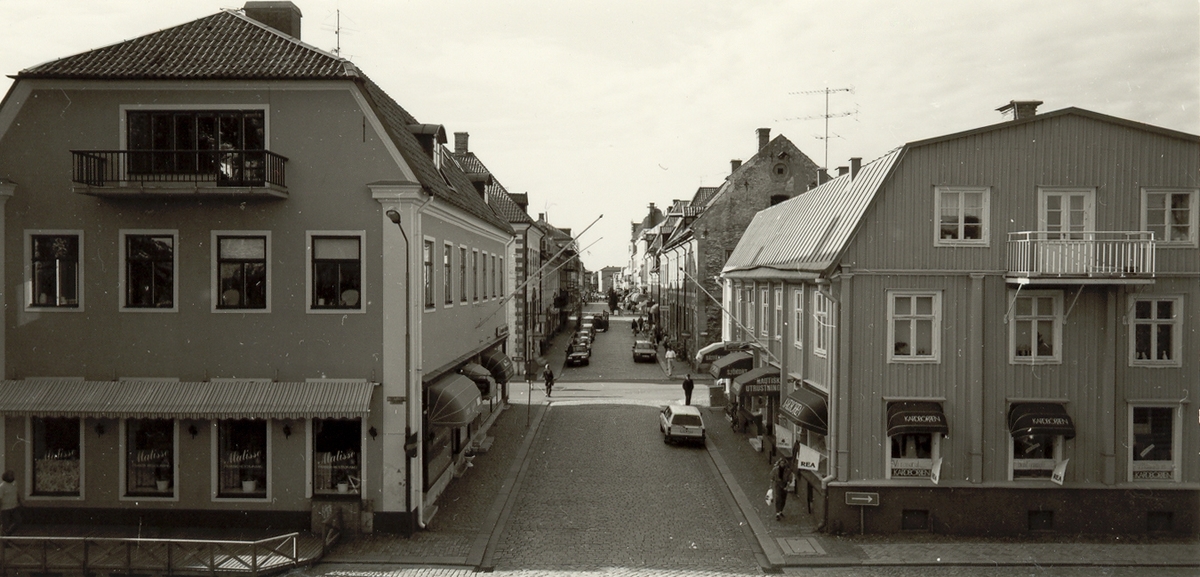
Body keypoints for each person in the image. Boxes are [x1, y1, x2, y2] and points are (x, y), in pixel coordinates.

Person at [769, 454, 794, 520]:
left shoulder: (788, 471)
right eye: (781, 463)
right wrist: (770, 486)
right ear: (779, 463)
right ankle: (777, 513)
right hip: (778, 485)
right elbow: (772, 477)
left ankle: (780, 511)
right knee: (778, 498)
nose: (782, 464)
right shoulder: (775, 470)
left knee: (783, 499)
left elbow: (790, 479)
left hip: (784, 485)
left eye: (783, 463)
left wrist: (787, 486)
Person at [1, 470, 20, 535]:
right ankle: (5, 541)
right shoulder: (2, 486)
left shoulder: (14, 484)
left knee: (18, 521)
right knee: (5, 525)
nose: (12, 477)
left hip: (14, 507)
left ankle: (8, 533)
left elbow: (17, 493)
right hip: (5, 508)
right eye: (10, 475)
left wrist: (20, 502)